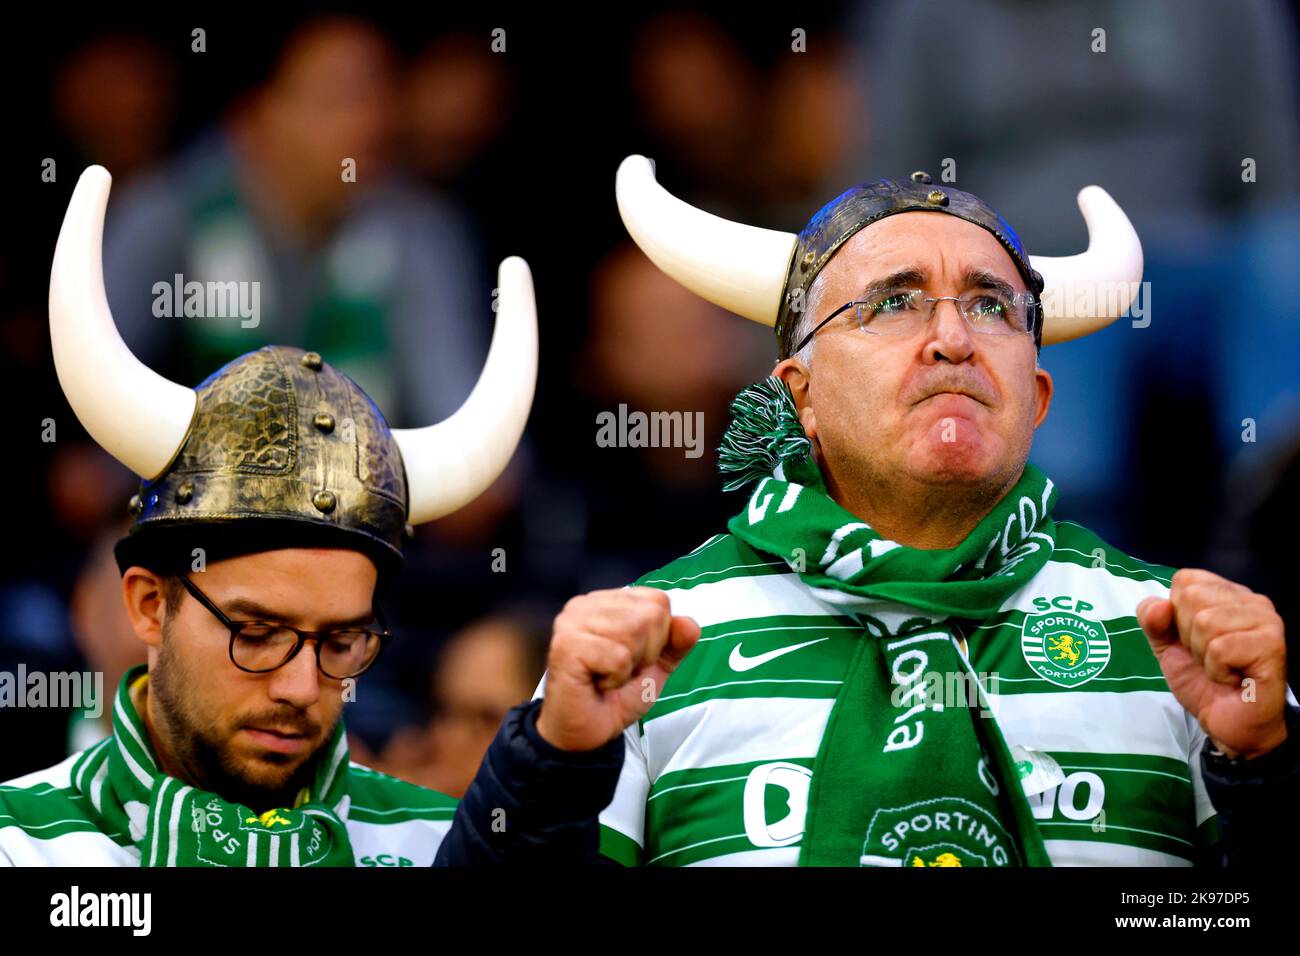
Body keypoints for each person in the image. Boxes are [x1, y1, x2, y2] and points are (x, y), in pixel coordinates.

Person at [443, 158, 1299, 867]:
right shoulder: (651, 645)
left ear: (1037, 398)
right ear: (800, 395)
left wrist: (1268, 771)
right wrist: (550, 765)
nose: (953, 338)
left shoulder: (1182, 643)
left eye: (992, 305)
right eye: (893, 302)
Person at [0, 165, 537, 866]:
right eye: (255, 633)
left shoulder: (448, 848)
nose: (301, 688)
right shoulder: (18, 847)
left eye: (342, 642)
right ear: (147, 605)